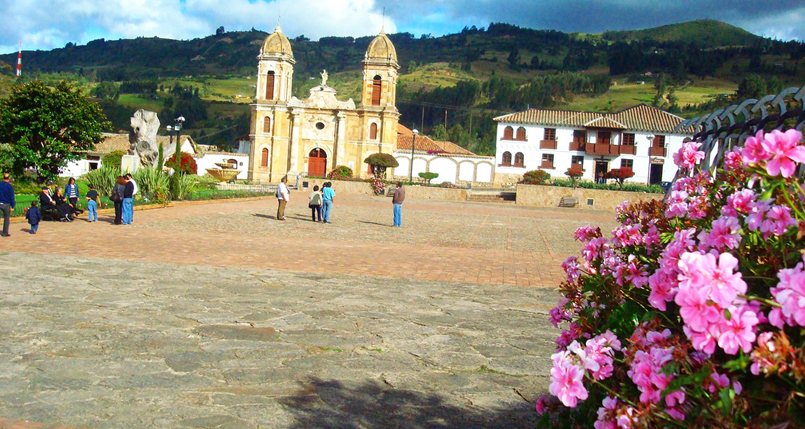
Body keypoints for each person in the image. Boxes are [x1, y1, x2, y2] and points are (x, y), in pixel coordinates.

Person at [0, 173, 15, 237]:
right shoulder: (9, 186)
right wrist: (12, 206)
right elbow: (11, 197)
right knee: (6, 219)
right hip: (6, 204)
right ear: (9, 178)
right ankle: (5, 233)